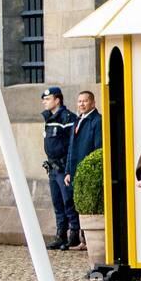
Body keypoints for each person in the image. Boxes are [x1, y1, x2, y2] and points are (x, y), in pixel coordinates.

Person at [41, 86, 80, 250]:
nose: (45, 102)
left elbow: (71, 144)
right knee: (57, 203)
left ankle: (74, 235)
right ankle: (60, 235)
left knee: (68, 202)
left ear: (57, 100)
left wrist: (68, 167)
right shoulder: (49, 118)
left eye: (48, 99)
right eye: (44, 99)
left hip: (63, 167)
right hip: (52, 167)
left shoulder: (67, 117)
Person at [64, 90, 102, 251]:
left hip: (88, 171)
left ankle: (86, 240)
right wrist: (68, 171)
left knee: (88, 205)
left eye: (85, 101)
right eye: (79, 101)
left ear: (92, 103)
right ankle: (82, 239)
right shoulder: (77, 120)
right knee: (76, 204)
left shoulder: (96, 121)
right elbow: (71, 148)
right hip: (75, 171)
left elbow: (98, 147)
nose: (82, 104)